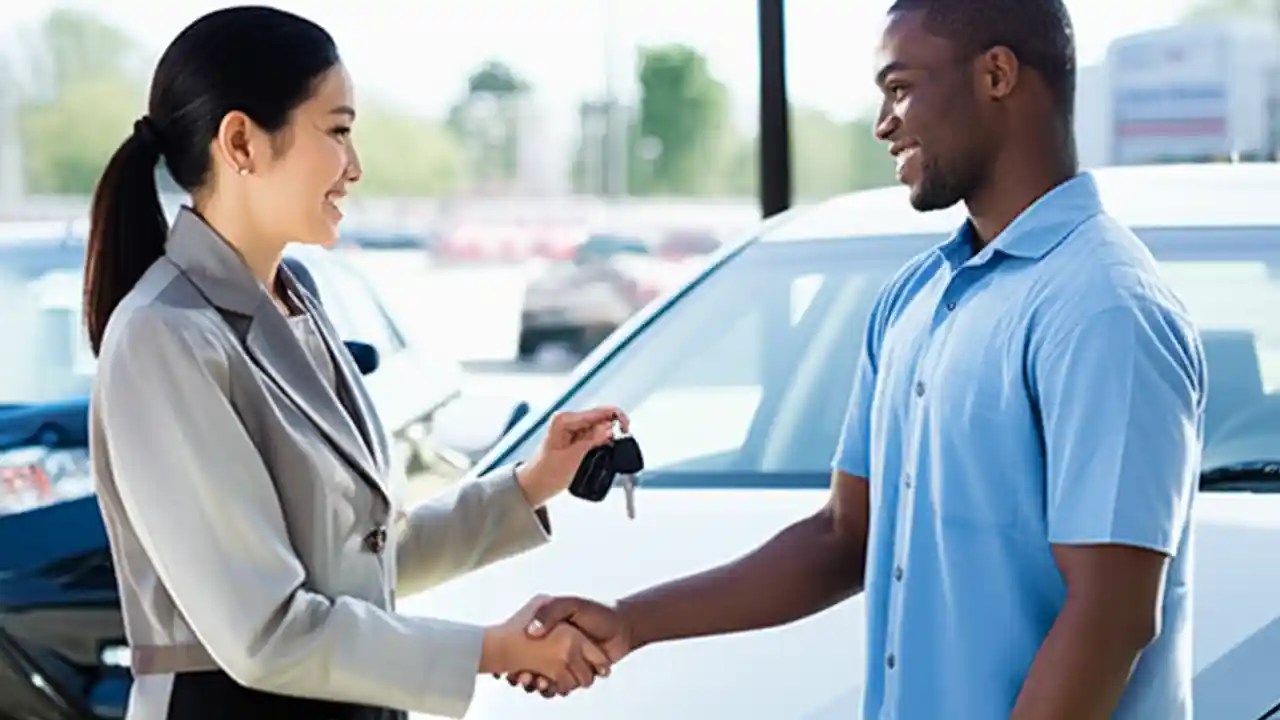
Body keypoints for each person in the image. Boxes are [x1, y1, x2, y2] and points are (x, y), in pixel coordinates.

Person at [510, 1, 1207, 717]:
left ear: (997, 73)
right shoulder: (914, 298)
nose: (883, 123)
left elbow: (1111, 617)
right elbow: (843, 535)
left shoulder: (1104, 308)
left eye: (900, 88)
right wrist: (631, 622)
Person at [85, 7, 622, 719]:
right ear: (241, 141)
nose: (356, 166)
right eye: (337, 130)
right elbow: (266, 633)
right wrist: (494, 649)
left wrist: (530, 486)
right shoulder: (164, 337)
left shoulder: (296, 302)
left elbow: (362, 560)